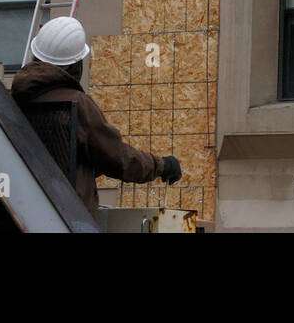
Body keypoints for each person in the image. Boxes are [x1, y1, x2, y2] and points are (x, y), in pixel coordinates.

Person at [11, 17, 181, 217]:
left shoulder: (12, 101)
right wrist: (162, 165)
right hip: (68, 219)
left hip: (22, 214)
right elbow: (117, 158)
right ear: (75, 66)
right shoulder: (76, 104)